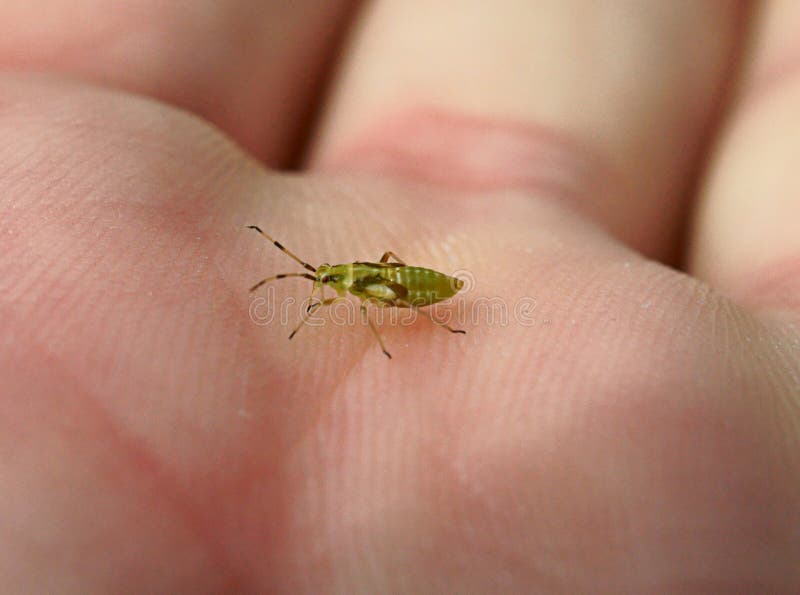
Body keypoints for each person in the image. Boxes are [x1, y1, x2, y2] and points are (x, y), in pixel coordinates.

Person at [1, 1, 797, 591]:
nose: (316, 288)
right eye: (316, 284)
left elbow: (364, 300)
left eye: (317, 284)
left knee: (385, 305)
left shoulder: (359, 290)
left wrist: (390, 316)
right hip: (402, 286)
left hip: (419, 290)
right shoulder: (338, 283)